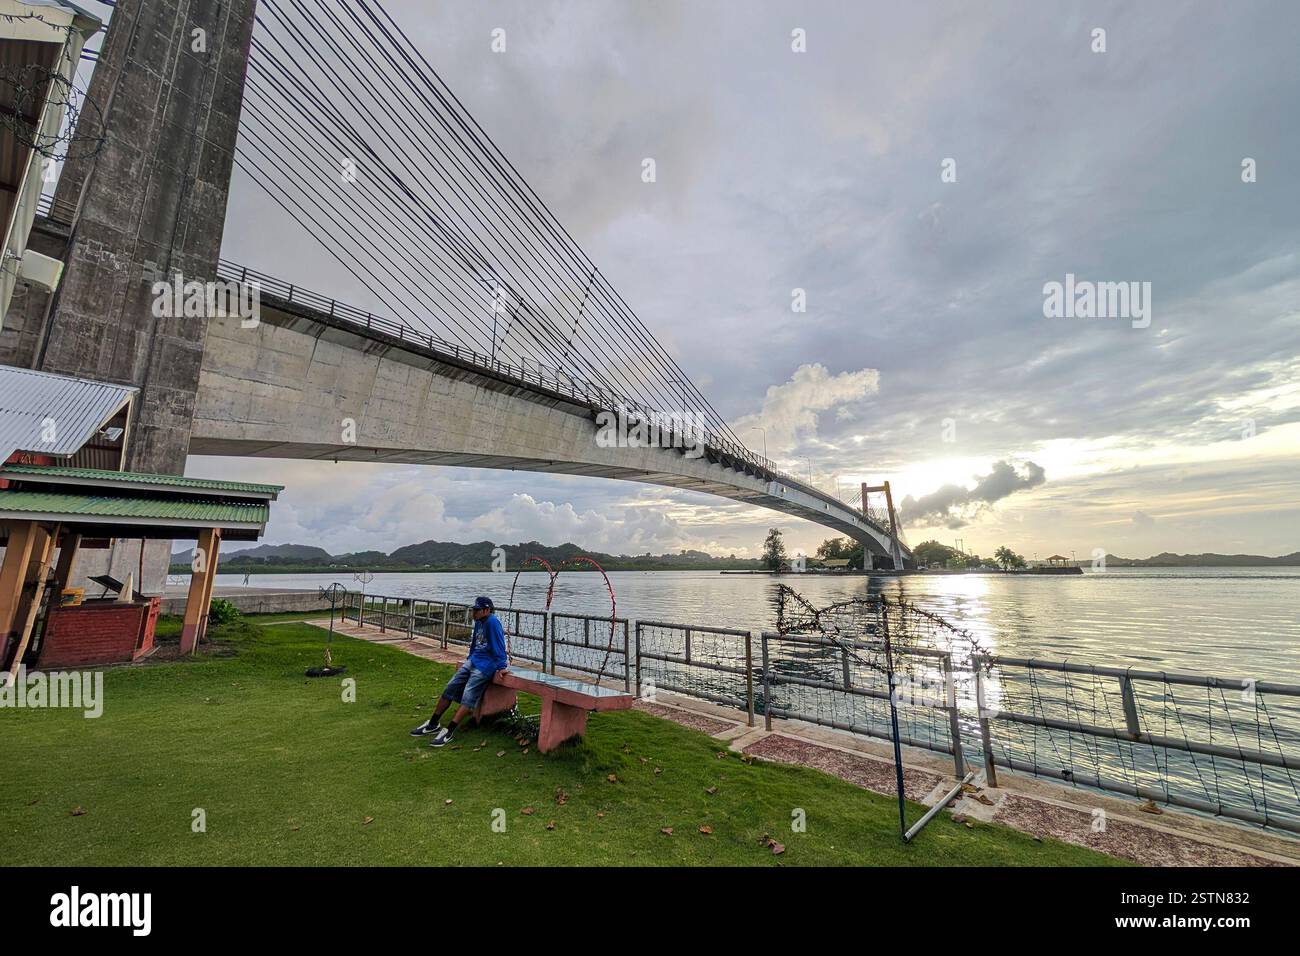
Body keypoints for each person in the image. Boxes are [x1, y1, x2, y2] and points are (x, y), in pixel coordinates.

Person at [410, 596, 508, 746]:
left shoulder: (492, 622)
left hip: (486, 666)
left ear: (486, 610)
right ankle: (433, 723)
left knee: (469, 695)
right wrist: (470, 658)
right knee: (450, 687)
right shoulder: (479, 623)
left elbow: (499, 645)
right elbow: (474, 643)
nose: (473, 613)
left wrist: (501, 666)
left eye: (477, 610)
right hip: (474, 660)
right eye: (474, 610)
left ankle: (449, 730)